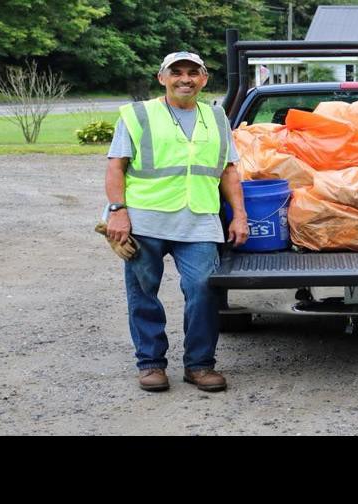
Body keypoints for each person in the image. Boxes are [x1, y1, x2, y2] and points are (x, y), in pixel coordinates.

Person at [104, 51, 249, 391]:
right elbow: (116, 167)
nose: (185, 78)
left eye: (192, 72)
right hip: (146, 220)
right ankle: (151, 364)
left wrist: (239, 215)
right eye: (177, 72)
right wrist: (117, 211)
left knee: (203, 289)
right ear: (162, 78)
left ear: (204, 79)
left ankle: (199, 366)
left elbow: (228, 170)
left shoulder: (216, 118)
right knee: (143, 293)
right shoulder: (137, 114)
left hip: (198, 220)